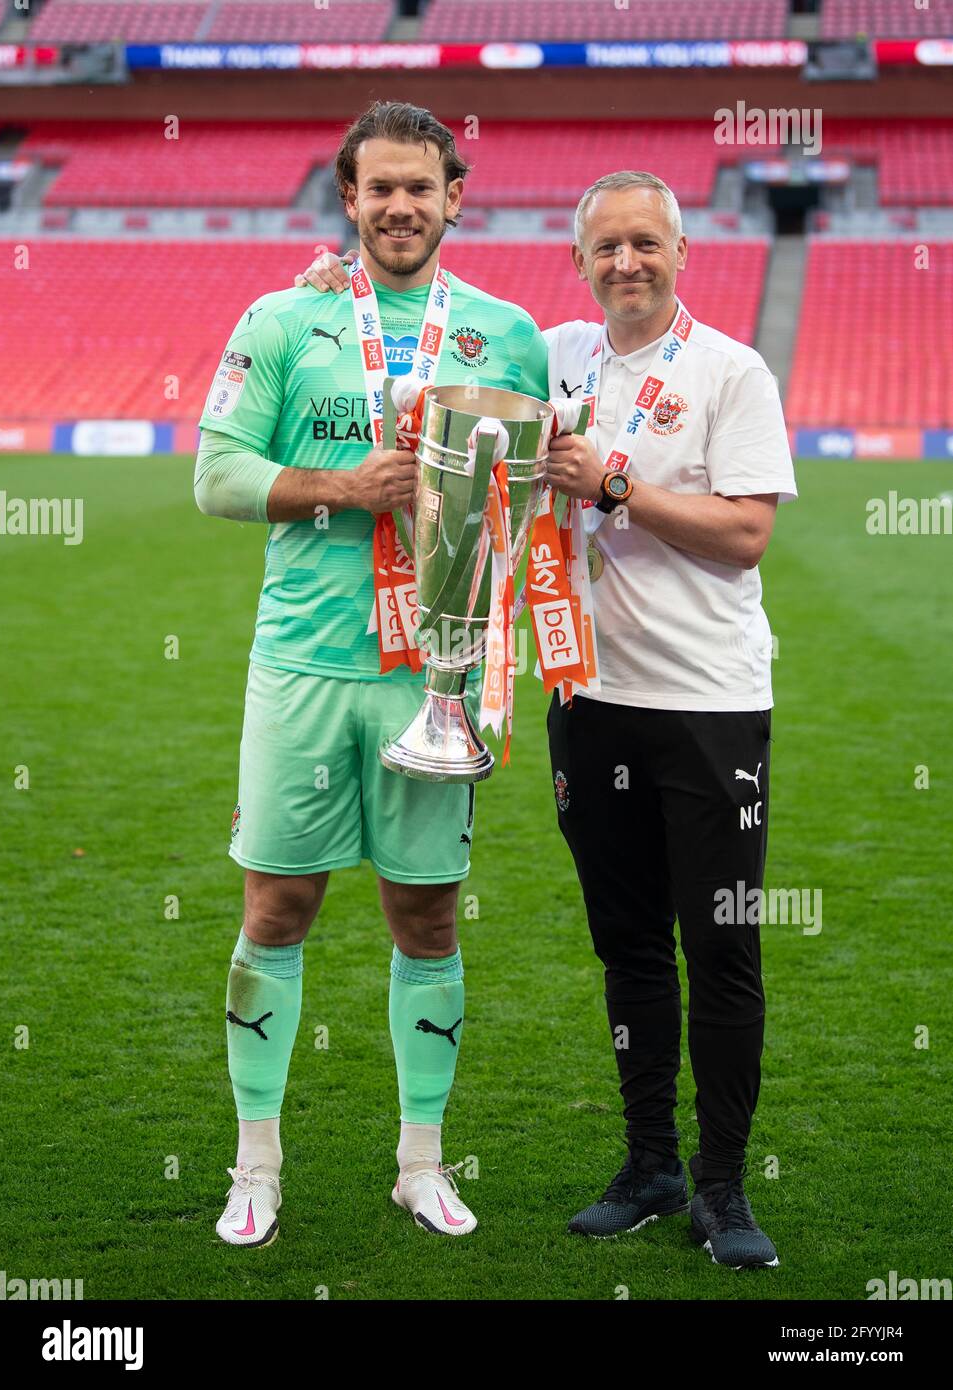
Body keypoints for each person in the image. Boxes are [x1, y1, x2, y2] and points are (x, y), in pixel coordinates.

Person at [297, 169, 796, 1270]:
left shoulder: (731, 370)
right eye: (605, 246)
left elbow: (746, 534)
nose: (626, 262)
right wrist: (335, 291)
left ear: (679, 253)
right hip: (588, 702)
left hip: (708, 705)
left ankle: (723, 1188)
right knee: (625, 947)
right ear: (579, 262)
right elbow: (434, 341)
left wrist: (612, 483)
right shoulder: (552, 352)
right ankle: (650, 1161)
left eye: (644, 244)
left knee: (719, 947)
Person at [195, 100, 547, 1246]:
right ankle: (256, 1164)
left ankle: (421, 1162)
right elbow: (217, 476)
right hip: (300, 666)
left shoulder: (507, 332)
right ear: (347, 198)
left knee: (428, 918)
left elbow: (535, 489)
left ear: (456, 195)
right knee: (277, 904)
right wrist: (351, 485)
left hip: (426, 670)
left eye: (421, 186)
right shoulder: (285, 316)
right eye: (378, 187)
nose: (400, 206)